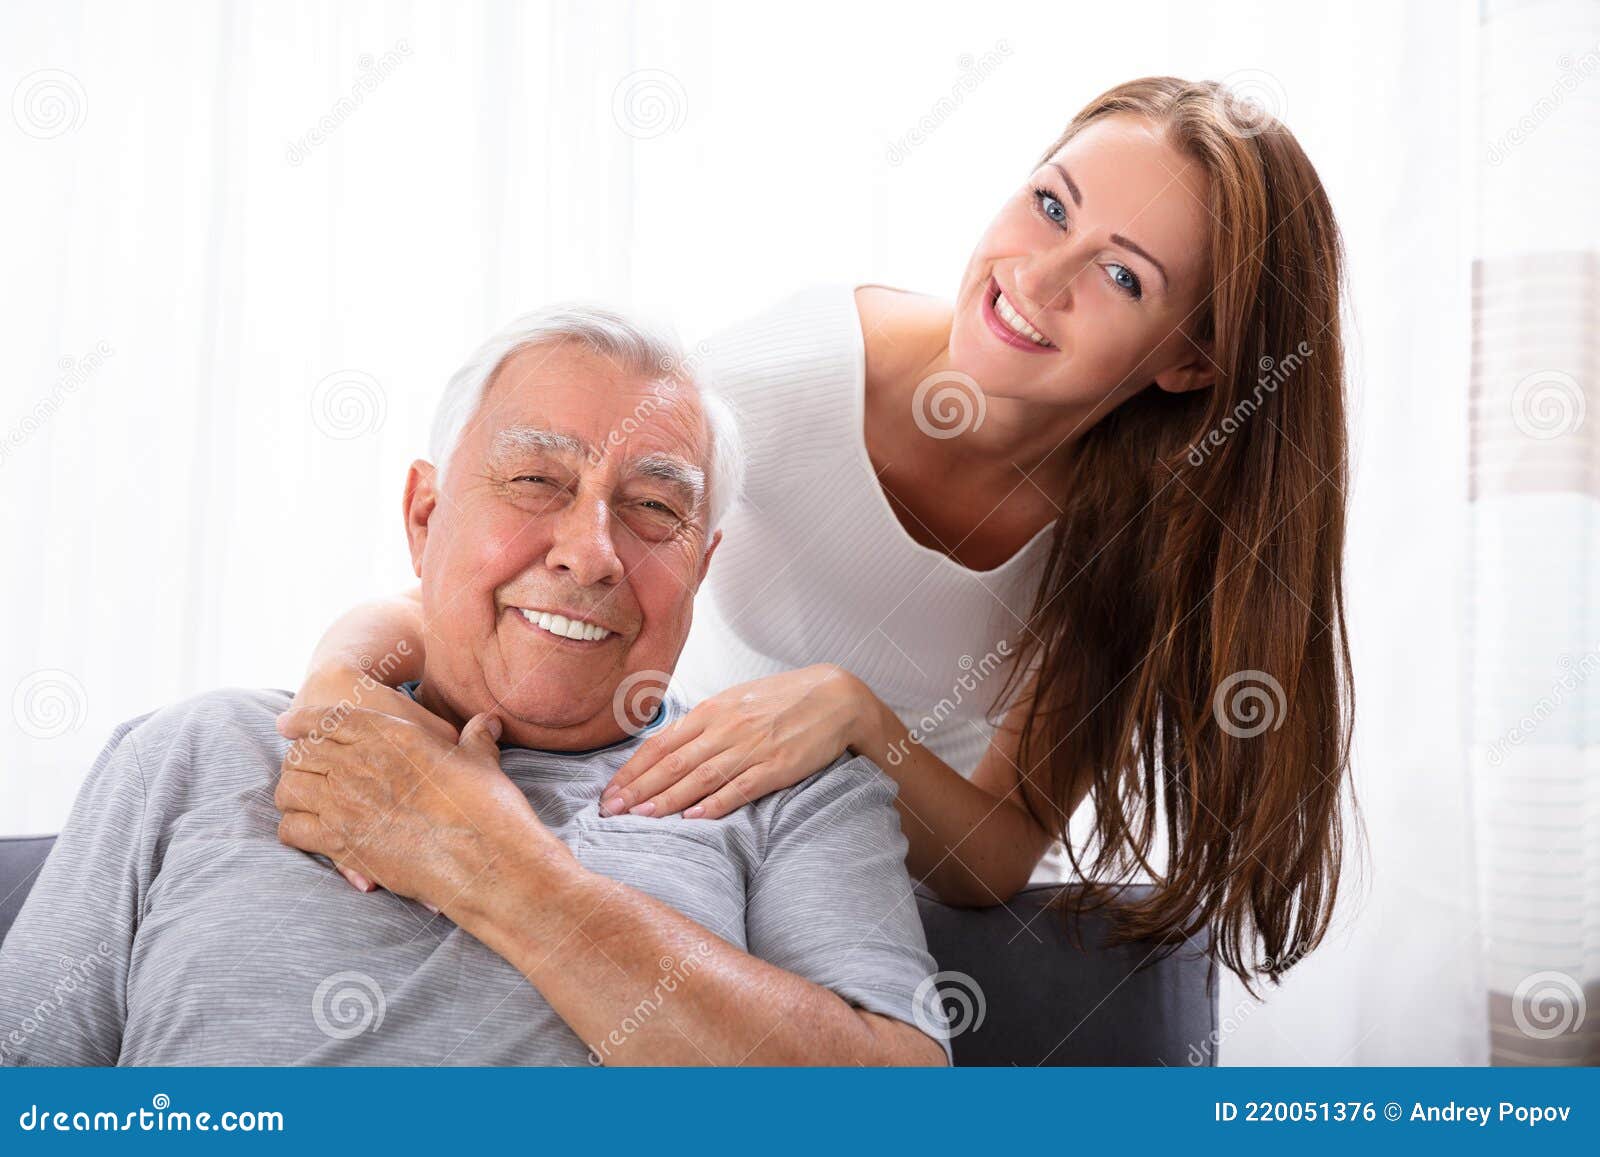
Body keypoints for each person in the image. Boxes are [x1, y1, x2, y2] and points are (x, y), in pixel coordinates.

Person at [296, 76, 1355, 985]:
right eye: (1046, 205)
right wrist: (335, 692)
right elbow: (526, 575)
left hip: (862, 904)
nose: (1036, 277)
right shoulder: (782, 381)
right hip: (655, 823)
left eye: (1122, 276)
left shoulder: (1128, 531)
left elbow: (997, 851)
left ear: (1190, 362)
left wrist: (852, 715)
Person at [0, 306, 948, 1067]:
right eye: (537, 479)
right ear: (423, 515)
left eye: (653, 507)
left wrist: (495, 863)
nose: (590, 554)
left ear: (701, 566)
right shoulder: (198, 751)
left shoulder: (788, 791)